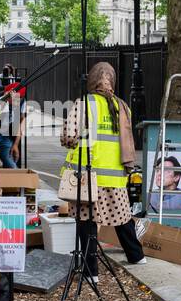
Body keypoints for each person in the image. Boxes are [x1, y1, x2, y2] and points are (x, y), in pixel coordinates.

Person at [61, 61, 145, 277]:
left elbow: (69, 137)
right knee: (122, 218)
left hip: (88, 177)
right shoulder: (122, 106)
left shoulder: (84, 104)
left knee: (86, 221)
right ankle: (136, 255)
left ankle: (91, 271)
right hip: (115, 177)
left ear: (91, 80)